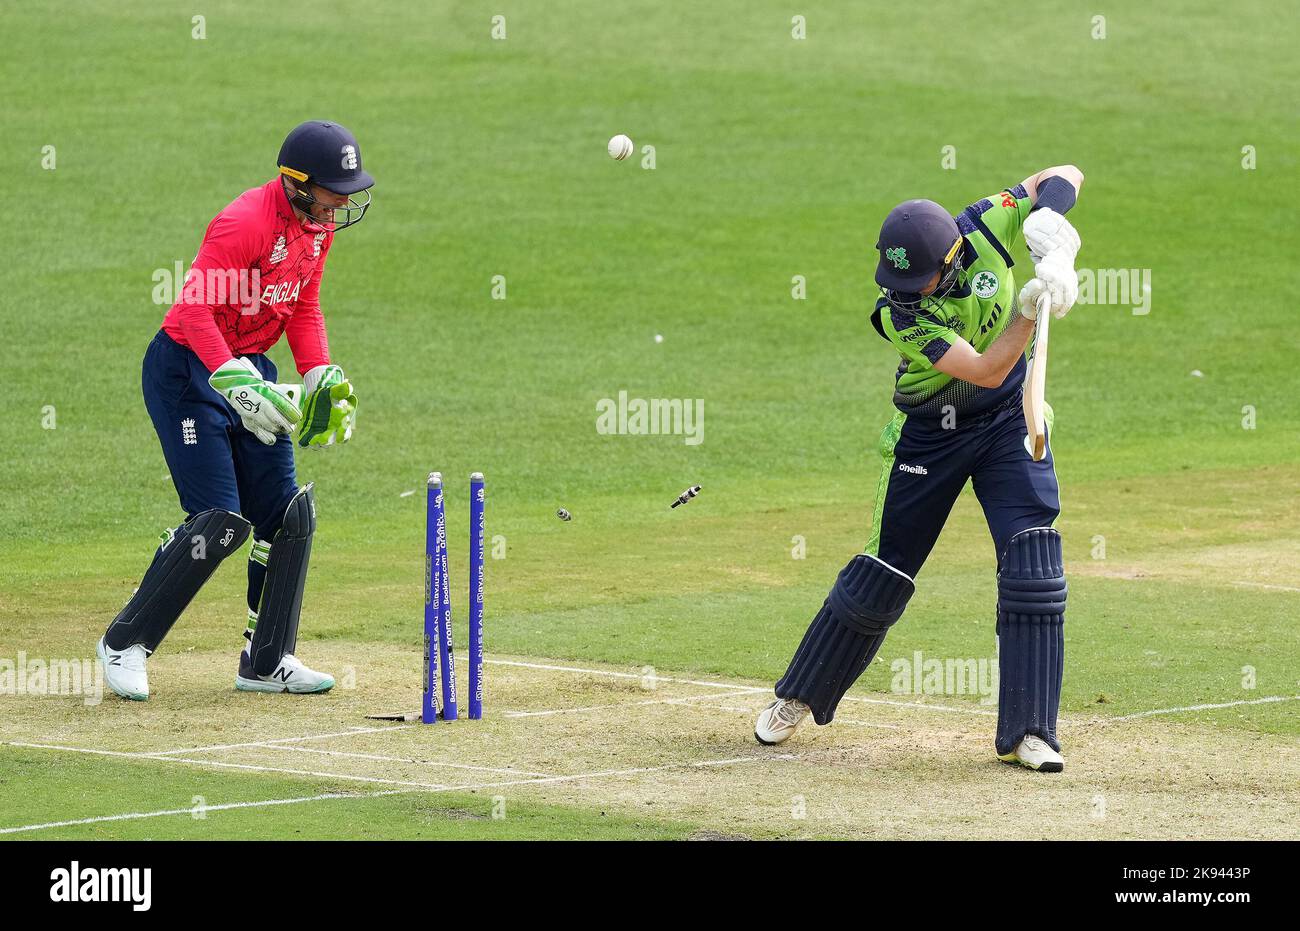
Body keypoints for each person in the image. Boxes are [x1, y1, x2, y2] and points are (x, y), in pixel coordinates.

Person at [755, 167, 1084, 771]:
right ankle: (798, 695)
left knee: (1034, 563)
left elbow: (1063, 174)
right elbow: (984, 367)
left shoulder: (983, 223)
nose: (905, 288)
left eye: (918, 277)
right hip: (930, 435)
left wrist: (1048, 222)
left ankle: (1031, 730)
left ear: (955, 257)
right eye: (895, 278)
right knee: (885, 571)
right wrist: (1030, 309)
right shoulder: (898, 315)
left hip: (1009, 421)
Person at [96, 120, 373, 701]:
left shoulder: (317, 228)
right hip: (187, 372)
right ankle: (125, 642)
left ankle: (266, 660)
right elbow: (195, 313)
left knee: (287, 516)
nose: (341, 202)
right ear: (295, 183)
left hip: (250, 368)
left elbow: (302, 305)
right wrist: (233, 383)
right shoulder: (244, 223)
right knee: (218, 522)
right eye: (332, 190)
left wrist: (317, 370)